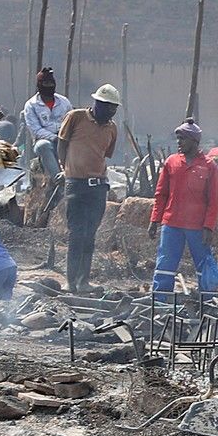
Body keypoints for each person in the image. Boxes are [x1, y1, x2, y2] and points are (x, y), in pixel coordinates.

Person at [57, 84, 121, 292]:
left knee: (90, 235)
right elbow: (62, 144)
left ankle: (83, 281)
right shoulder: (75, 117)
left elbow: (103, 154)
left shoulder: (111, 128)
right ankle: (70, 281)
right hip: (76, 184)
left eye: (114, 108)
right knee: (76, 233)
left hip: (98, 186)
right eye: (107, 106)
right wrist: (65, 168)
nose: (111, 112)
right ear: (97, 104)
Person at [151, 119, 218, 296]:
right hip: (172, 223)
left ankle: (207, 300)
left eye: (182, 138)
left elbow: (214, 200)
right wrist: (155, 220)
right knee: (165, 264)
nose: (179, 142)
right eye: (178, 138)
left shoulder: (209, 166)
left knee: (203, 264)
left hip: (197, 227)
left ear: (194, 141)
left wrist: (209, 227)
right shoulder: (171, 162)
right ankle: (160, 301)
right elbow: (161, 194)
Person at [21, 65, 70, 181]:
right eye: (46, 84)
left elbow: (72, 121)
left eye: (51, 84)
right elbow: (36, 130)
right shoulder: (31, 105)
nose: (49, 87)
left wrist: (65, 137)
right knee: (43, 146)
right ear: (39, 85)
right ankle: (58, 179)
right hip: (46, 141)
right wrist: (54, 138)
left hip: (65, 139)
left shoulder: (64, 102)